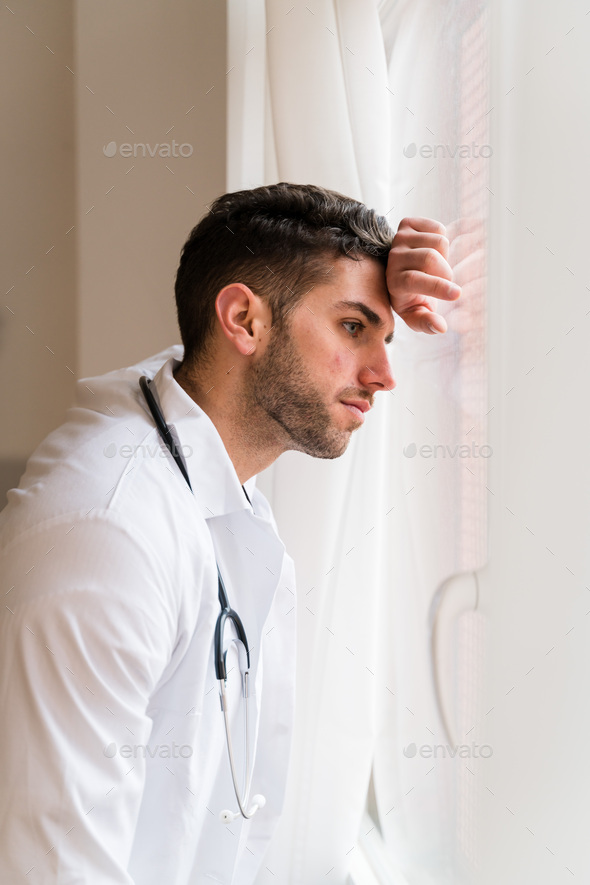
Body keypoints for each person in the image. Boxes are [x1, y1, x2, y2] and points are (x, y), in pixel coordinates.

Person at [0, 183, 460, 884]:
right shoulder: (106, 532)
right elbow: (52, 868)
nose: (385, 374)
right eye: (353, 327)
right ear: (244, 318)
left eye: (384, 335)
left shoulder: (205, 462)